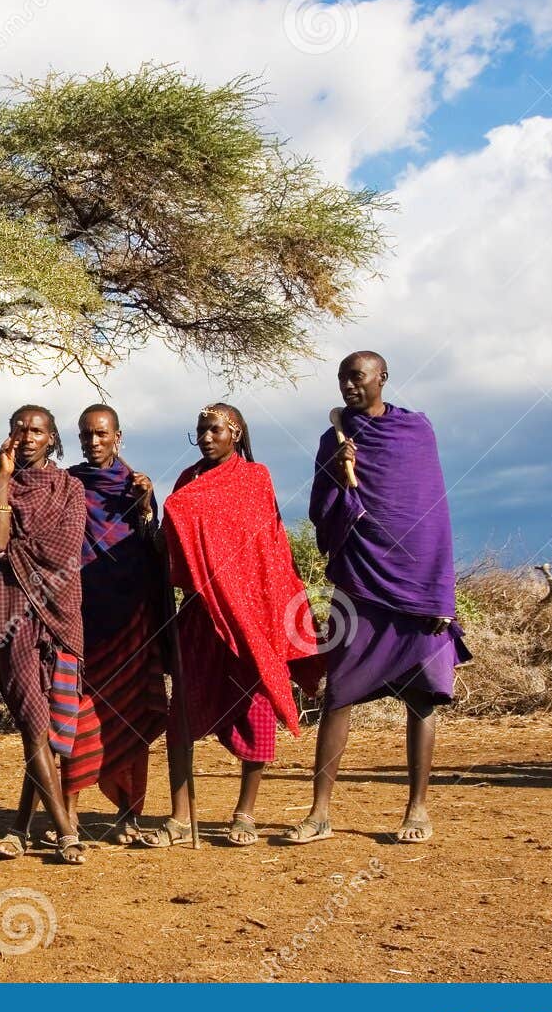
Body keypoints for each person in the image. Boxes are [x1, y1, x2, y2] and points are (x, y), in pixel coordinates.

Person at [285, 352, 470, 845]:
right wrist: (345, 480)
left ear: (382, 379)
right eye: (342, 377)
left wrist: (439, 596)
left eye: (357, 376)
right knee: (339, 693)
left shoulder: (416, 433)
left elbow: (433, 516)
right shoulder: (334, 439)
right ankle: (319, 812)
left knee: (422, 697)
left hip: (417, 588)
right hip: (361, 583)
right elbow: (322, 516)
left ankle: (417, 809)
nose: (347, 384)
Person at [140, 403, 321, 849]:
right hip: (202, 615)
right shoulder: (187, 480)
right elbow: (170, 541)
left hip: (250, 616)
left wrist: (275, 610)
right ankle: (180, 818)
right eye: (200, 430)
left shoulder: (255, 478)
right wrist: (150, 510)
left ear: (235, 433)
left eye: (213, 429)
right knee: (180, 716)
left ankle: (245, 814)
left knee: (254, 713)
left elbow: (270, 550)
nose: (205, 437)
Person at [0, 405, 89, 865]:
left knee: (41, 726)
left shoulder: (69, 488)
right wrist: (2, 479)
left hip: (61, 616)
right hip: (12, 619)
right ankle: (65, 834)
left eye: (36, 430)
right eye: (18, 429)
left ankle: (19, 828)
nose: (26, 437)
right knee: (32, 720)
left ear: (52, 438)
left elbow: (63, 550)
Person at [67, 404, 170, 843]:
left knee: (130, 716)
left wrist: (147, 507)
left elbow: (155, 548)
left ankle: (129, 813)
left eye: (102, 434)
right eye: (87, 434)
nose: (94, 442)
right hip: (81, 618)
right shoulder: (68, 484)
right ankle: (67, 815)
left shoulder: (137, 487)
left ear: (118, 437)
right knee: (74, 716)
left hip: (131, 619)